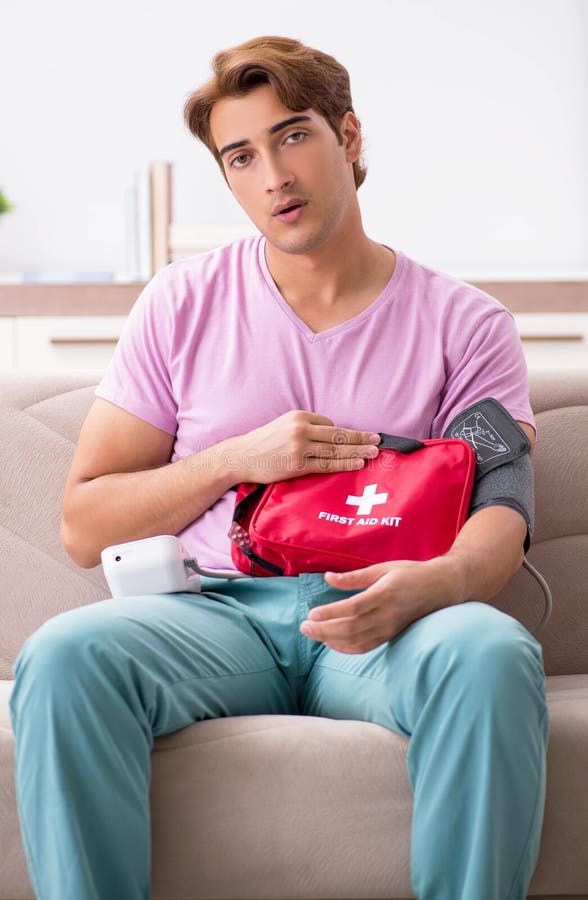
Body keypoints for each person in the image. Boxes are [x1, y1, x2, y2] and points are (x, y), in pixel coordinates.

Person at [10, 35, 549, 900]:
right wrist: (236, 459)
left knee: (490, 651)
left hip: (392, 620)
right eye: (241, 156)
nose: (273, 176)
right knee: (66, 655)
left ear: (350, 135)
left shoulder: (467, 325)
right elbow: (84, 526)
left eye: (294, 136)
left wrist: (436, 585)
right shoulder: (181, 304)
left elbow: (504, 509)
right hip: (212, 617)